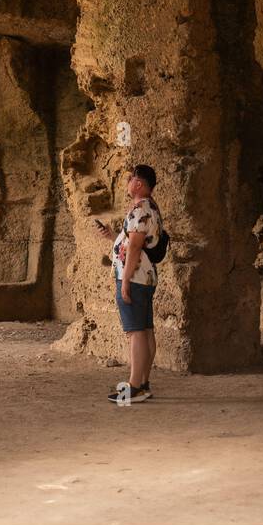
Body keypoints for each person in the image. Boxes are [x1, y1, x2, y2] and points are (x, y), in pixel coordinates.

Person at [96, 164, 163, 404]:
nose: (127, 181)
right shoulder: (150, 207)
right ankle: (143, 384)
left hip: (134, 278)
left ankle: (133, 387)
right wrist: (113, 236)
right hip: (145, 277)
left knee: (135, 333)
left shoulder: (140, 209)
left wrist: (124, 282)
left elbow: (134, 248)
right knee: (145, 330)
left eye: (131, 178)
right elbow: (131, 242)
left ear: (139, 184)